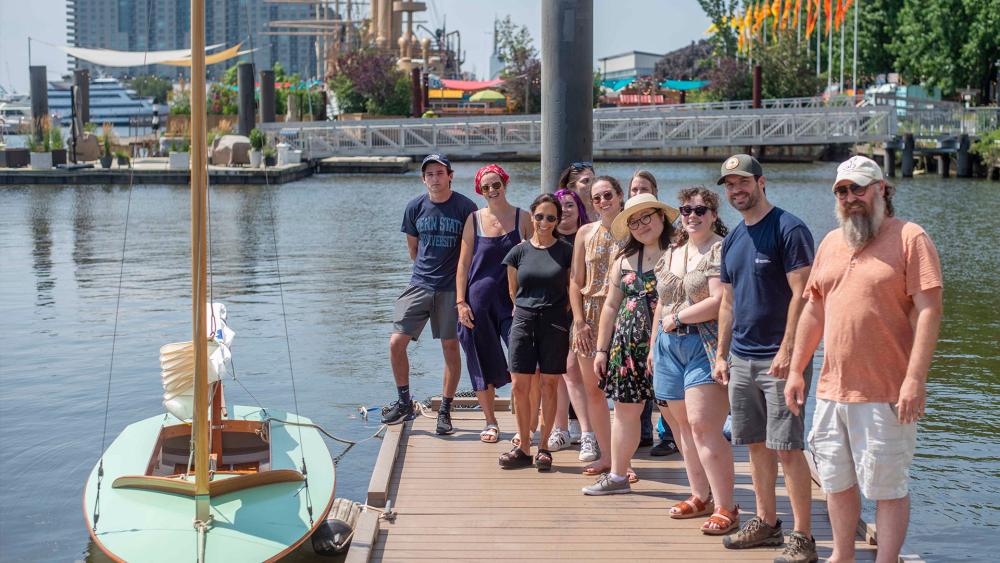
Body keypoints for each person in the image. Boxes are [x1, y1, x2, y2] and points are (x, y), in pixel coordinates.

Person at [786, 156, 942, 563]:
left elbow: (929, 310)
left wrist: (915, 379)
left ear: (881, 190)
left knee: (888, 485)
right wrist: (798, 369)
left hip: (886, 390)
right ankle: (842, 555)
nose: (850, 198)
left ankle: (886, 559)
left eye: (858, 188)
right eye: (842, 191)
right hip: (832, 389)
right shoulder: (830, 243)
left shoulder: (911, 238)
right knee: (836, 481)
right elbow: (814, 310)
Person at [712, 154, 817, 561]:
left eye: (743, 183)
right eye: (730, 185)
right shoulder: (735, 238)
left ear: (761, 182)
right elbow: (727, 302)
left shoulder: (789, 229)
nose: (737, 191)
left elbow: (802, 294)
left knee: (788, 448)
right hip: (741, 358)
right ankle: (767, 523)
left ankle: (802, 536)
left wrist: (789, 350)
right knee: (754, 444)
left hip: (780, 360)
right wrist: (721, 355)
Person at [652, 186, 737, 534]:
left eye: (700, 210)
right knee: (680, 426)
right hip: (667, 346)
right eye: (686, 210)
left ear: (714, 215)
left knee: (704, 426)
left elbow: (719, 301)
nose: (692, 216)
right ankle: (699, 495)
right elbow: (660, 303)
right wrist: (653, 342)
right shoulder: (672, 251)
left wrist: (679, 317)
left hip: (703, 344)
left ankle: (726, 505)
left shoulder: (720, 250)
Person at [582, 193, 677, 495]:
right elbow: (610, 306)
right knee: (624, 412)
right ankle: (618, 475)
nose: (640, 225)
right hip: (626, 348)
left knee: (677, 416)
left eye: (646, 217)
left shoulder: (678, 253)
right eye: (633, 221)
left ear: (661, 216)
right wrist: (601, 349)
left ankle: (704, 487)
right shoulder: (623, 260)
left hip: (668, 346)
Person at [382, 154, 478, 434]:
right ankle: (404, 403)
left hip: (451, 288)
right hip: (420, 283)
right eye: (429, 174)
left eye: (439, 173)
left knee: (450, 347)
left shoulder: (465, 207)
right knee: (396, 342)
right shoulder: (414, 207)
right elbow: (413, 250)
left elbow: (471, 250)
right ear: (424, 179)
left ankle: (445, 411)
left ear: (450, 175)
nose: (435, 178)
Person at [456, 164, 532, 443]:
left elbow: (536, 257)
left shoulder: (524, 217)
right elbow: (463, 264)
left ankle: (524, 424)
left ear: (505, 184)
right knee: (480, 362)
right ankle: (490, 422)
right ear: (480, 191)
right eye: (485, 187)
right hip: (478, 303)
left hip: (514, 303)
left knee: (522, 363)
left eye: (496, 184)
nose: (492, 191)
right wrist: (461, 302)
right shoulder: (474, 219)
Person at [498, 194, 575, 471]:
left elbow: (570, 291)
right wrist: (526, 311)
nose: (544, 222)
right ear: (532, 217)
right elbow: (512, 291)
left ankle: (544, 448)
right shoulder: (518, 252)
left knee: (549, 385)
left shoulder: (566, 251)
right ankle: (523, 447)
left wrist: (559, 315)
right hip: (523, 320)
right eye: (540, 216)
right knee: (520, 385)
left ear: (557, 221)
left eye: (551, 218)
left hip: (554, 322)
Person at [570, 176, 625, 474]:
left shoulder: (633, 230)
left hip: (624, 313)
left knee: (627, 395)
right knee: (594, 390)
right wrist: (578, 321)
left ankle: (623, 460)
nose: (603, 202)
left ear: (619, 196)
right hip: (589, 313)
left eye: (607, 195)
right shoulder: (584, 232)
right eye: (596, 198)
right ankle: (606, 456)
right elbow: (575, 281)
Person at [548, 188, 593, 454]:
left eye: (569, 205)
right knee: (557, 373)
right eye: (559, 206)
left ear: (579, 208)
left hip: (582, 313)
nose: (564, 210)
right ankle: (560, 429)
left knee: (573, 371)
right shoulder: (546, 238)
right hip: (552, 313)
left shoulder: (587, 235)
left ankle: (588, 431)